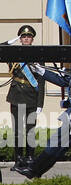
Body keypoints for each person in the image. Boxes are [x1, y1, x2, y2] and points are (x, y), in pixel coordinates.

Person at [16, 59, 71, 179]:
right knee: (59, 148)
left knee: (55, 144)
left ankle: (33, 170)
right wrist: (42, 72)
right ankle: (35, 171)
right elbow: (63, 81)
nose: (68, 59)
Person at [7, 24, 44, 172]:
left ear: (32, 39)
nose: (26, 39)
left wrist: (40, 103)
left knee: (30, 130)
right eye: (23, 36)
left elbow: (41, 81)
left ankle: (30, 158)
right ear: (20, 39)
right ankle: (18, 160)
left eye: (28, 36)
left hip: (31, 97)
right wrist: (11, 41)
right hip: (16, 96)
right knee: (17, 131)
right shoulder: (13, 53)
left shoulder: (38, 55)